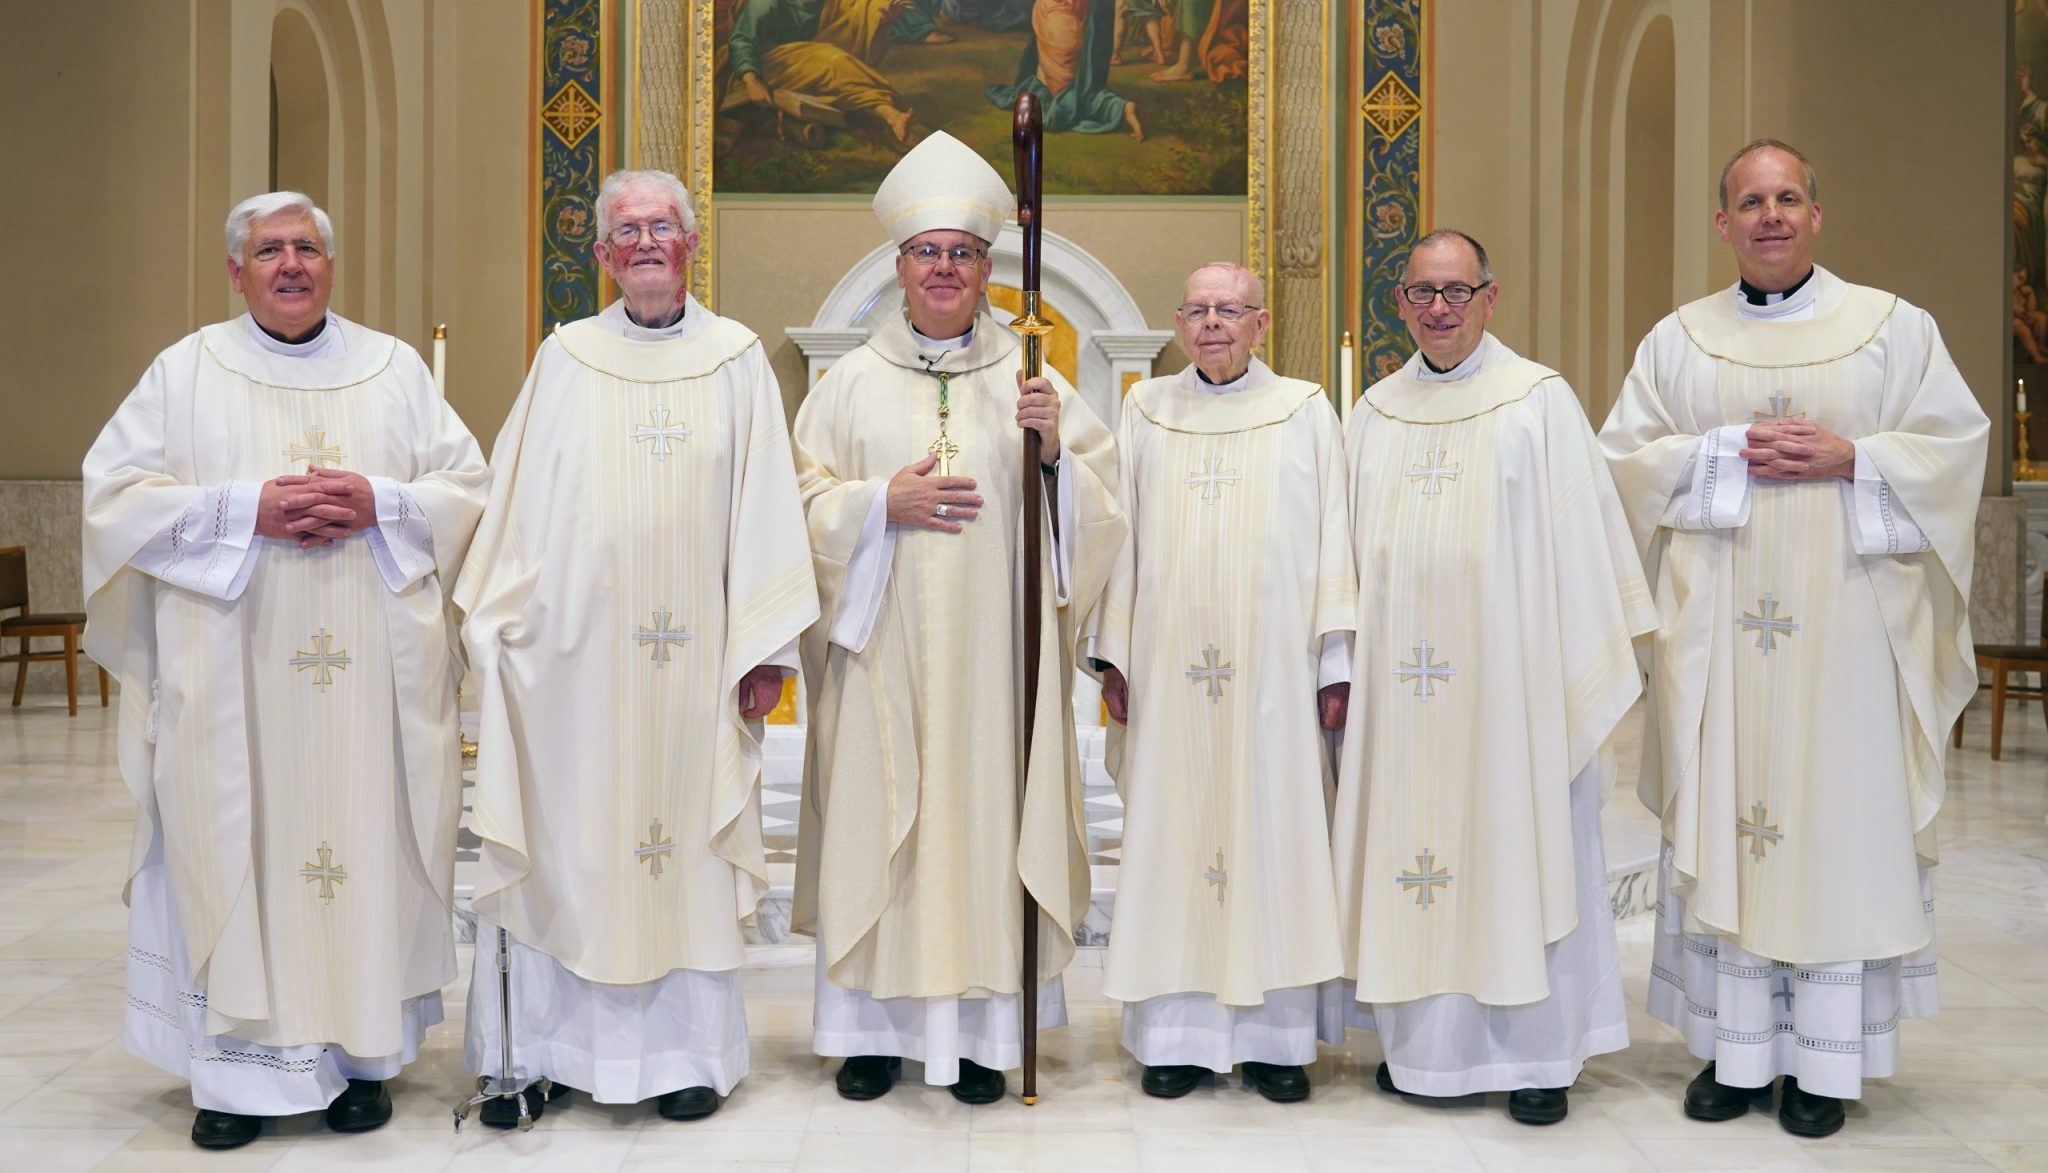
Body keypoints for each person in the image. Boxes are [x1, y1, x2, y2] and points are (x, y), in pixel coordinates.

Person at [82, 191, 489, 1150]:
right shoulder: (185, 372)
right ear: (237, 271)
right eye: (270, 250)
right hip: (232, 679)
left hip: (369, 689)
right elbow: (114, 497)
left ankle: (360, 1063)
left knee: (365, 841)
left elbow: (468, 488)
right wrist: (245, 510)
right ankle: (233, 1077)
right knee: (235, 839)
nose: (292, 264)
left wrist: (378, 500)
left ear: (331, 266)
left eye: (308, 247)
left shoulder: (393, 371)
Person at [1600, 139, 1988, 1139]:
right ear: (1721, 224)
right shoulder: (1678, 341)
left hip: (1851, 628)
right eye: (1747, 202)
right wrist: (1721, 449)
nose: (1768, 216)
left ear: (1815, 213)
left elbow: (1953, 448)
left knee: (1833, 825)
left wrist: (1855, 454)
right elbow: (1620, 465)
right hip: (1721, 637)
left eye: (1785, 198)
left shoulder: (1893, 331)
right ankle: (1732, 1058)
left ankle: (1822, 1064)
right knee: (1732, 813)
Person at [453, 169, 819, 1126]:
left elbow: (767, 510)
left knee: (683, 851)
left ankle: (686, 1057)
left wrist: (766, 650)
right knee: (569, 850)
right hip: (571, 666)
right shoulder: (565, 358)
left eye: (664, 226)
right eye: (628, 231)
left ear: (692, 245)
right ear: (604, 256)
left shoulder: (737, 357)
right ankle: (544, 1053)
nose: (648, 243)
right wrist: (498, 626)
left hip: (696, 665)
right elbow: (516, 502)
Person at [790, 130, 1126, 1104]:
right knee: (877, 816)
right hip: (879, 655)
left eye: (963, 253)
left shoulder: (1032, 384)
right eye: (927, 251)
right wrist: (870, 508)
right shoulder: (844, 384)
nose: (945, 268)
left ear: (987, 269)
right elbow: (796, 509)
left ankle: (984, 1035)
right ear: (897, 266)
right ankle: (868, 1035)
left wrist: (1057, 454)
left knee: (985, 829)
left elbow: (1100, 520)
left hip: (993, 669)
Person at [1322, 229, 1656, 1125]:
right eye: (1422, 293)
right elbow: (1341, 561)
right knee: (1411, 857)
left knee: (1520, 850)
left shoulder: (1538, 403)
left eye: (1456, 291)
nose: (1439, 308)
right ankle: (1425, 1053)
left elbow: (1584, 552)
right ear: (1399, 304)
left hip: (1511, 699)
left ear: (1489, 298)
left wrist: (1562, 682)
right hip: (1400, 700)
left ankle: (1540, 1055)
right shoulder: (1373, 414)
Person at [1093, 262, 1353, 1102]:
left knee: (1274, 837)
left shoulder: (1306, 411)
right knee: (1175, 839)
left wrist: (1333, 660)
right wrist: (1114, 657)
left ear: (1261, 322)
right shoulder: (1144, 411)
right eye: (1199, 310)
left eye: (1229, 310)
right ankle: (1176, 1037)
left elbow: (1334, 542)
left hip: (1275, 678)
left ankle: (1277, 1042)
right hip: (1170, 677)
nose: (1213, 324)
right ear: (1177, 321)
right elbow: (1118, 539)